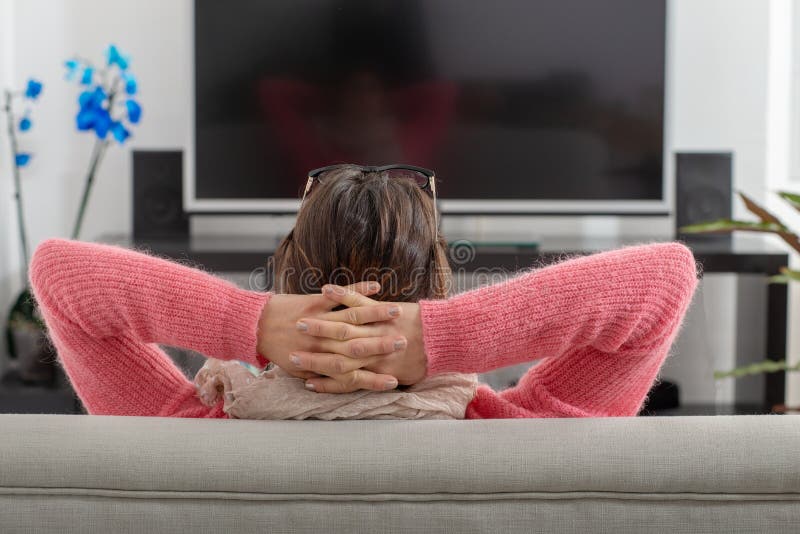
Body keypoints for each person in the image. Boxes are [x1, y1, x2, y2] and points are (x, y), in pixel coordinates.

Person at [28, 164, 699, 419]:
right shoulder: (518, 437)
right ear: (434, 285)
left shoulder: (186, 433)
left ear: (289, 277)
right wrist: (439, 340)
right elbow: (665, 279)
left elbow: (59, 274)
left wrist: (252, 323)